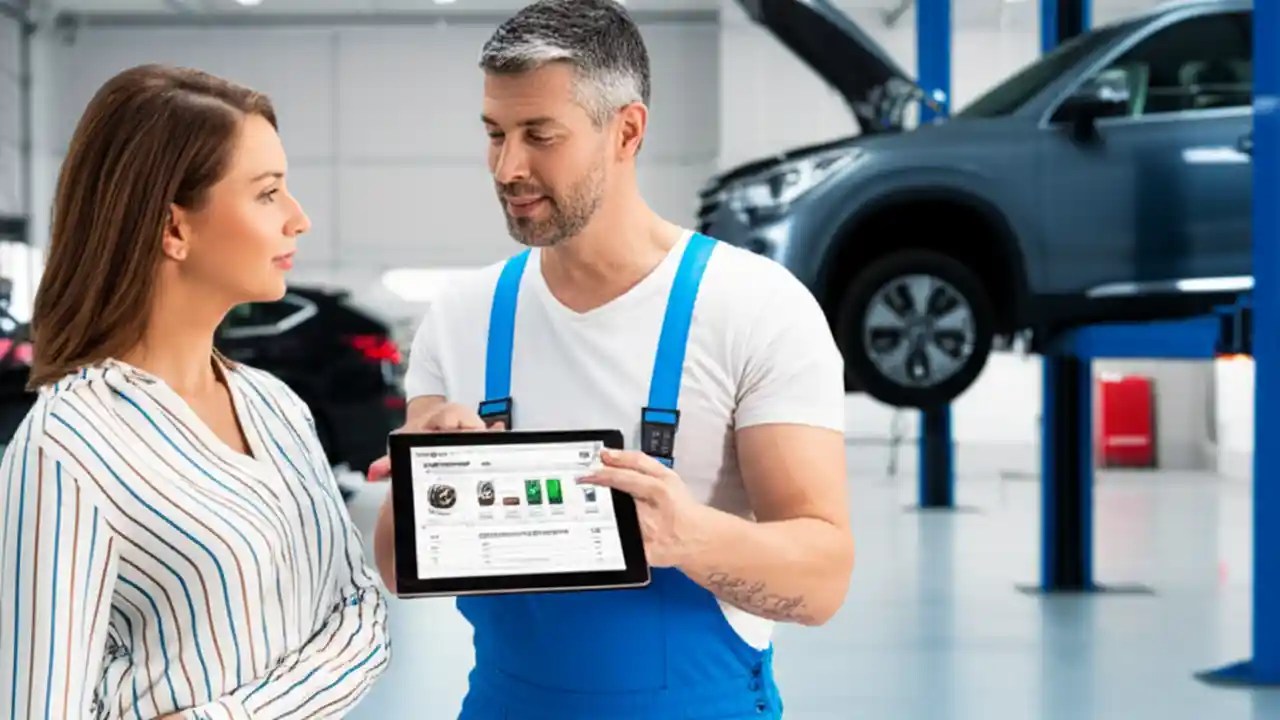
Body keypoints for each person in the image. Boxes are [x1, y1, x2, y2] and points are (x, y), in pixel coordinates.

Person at [368, 1, 854, 717]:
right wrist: (424, 484)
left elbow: (822, 582)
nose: (508, 167)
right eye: (496, 134)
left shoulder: (755, 307)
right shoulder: (463, 317)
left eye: (541, 136)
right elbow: (397, 567)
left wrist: (690, 536)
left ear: (627, 130)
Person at [0, 64, 390, 719]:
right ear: (173, 228)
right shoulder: (67, 449)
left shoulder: (276, 406)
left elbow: (364, 619)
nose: (299, 219)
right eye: (268, 194)